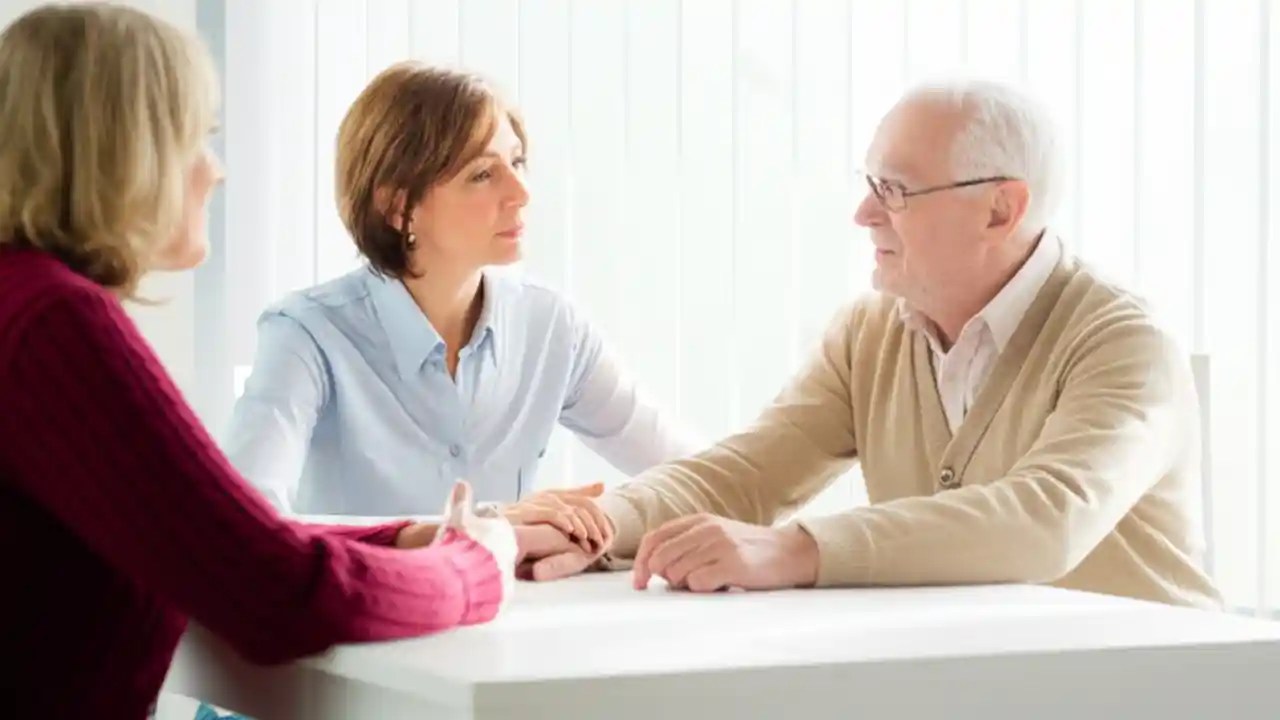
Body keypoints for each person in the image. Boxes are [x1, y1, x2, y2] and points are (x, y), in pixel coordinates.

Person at [0, 5, 579, 717]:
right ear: (122, 154)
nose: (214, 172)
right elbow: (271, 593)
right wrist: (472, 568)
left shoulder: (20, 304)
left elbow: (209, 531)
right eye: (195, 139)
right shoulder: (54, 322)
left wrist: (402, 537)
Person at [550, 80, 1223, 610]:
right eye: (869, 184)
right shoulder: (870, 332)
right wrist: (588, 525)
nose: (864, 214)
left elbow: (1046, 521)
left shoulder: (1124, 341)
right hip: (982, 681)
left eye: (894, 190)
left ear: (1000, 209)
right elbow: (746, 475)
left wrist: (796, 551)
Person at [222, 62, 698, 529]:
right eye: (482, 174)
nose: (522, 192)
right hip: (361, 606)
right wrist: (484, 526)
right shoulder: (306, 334)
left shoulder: (550, 327)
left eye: (516, 162)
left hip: (516, 608)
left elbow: (694, 477)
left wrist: (594, 524)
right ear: (397, 207)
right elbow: (246, 524)